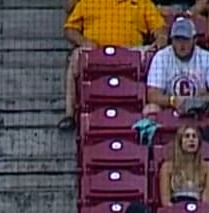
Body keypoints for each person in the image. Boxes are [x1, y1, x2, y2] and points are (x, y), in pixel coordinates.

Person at [58, 0, 167, 128]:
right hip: (95, 52)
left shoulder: (141, 2)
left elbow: (160, 27)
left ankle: (146, 112)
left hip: (131, 52)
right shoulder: (88, 2)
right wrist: (83, 41)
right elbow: (70, 29)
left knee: (151, 56)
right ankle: (70, 114)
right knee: (75, 57)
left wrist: (160, 38)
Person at [144, 17, 209, 117]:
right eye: (177, 39)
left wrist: (197, 101)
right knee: (150, 109)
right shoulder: (161, 57)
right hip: (170, 110)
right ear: (171, 40)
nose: (181, 44)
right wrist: (172, 100)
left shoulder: (207, 58)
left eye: (185, 39)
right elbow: (152, 94)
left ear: (194, 39)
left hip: (202, 110)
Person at [158, 125, 209, 206]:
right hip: (175, 208)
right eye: (187, 136)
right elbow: (165, 201)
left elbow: (206, 202)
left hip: (198, 208)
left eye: (194, 136)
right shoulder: (167, 167)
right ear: (180, 142)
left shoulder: (208, 168)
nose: (191, 139)